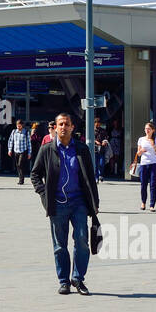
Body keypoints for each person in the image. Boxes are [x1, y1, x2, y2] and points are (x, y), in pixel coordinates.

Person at [31, 113, 100, 296]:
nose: (63, 127)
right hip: (57, 204)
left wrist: (94, 201)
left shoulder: (81, 149)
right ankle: (64, 281)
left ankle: (78, 278)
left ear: (72, 127)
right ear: (55, 127)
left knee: (82, 241)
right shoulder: (47, 149)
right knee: (60, 245)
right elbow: (35, 174)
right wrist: (44, 195)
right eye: (60, 124)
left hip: (79, 203)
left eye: (66, 124)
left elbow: (90, 177)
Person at [133, 122, 156, 212]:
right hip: (144, 164)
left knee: (153, 185)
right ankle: (143, 202)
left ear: (153, 130)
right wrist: (141, 150)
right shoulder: (141, 139)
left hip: (154, 164)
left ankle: (152, 205)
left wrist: (154, 146)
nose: (147, 130)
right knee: (143, 184)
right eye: (146, 129)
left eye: (149, 129)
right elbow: (138, 153)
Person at [8, 118, 31, 185]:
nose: (18, 127)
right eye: (17, 126)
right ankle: (20, 177)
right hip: (16, 150)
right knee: (17, 165)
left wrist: (29, 153)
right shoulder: (14, 132)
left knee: (20, 164)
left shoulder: (26, 132)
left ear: (22, 125)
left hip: (23, 151)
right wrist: (10, 150)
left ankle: (21, 179)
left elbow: (29, 143)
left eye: (20, 126)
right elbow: (11, 141)